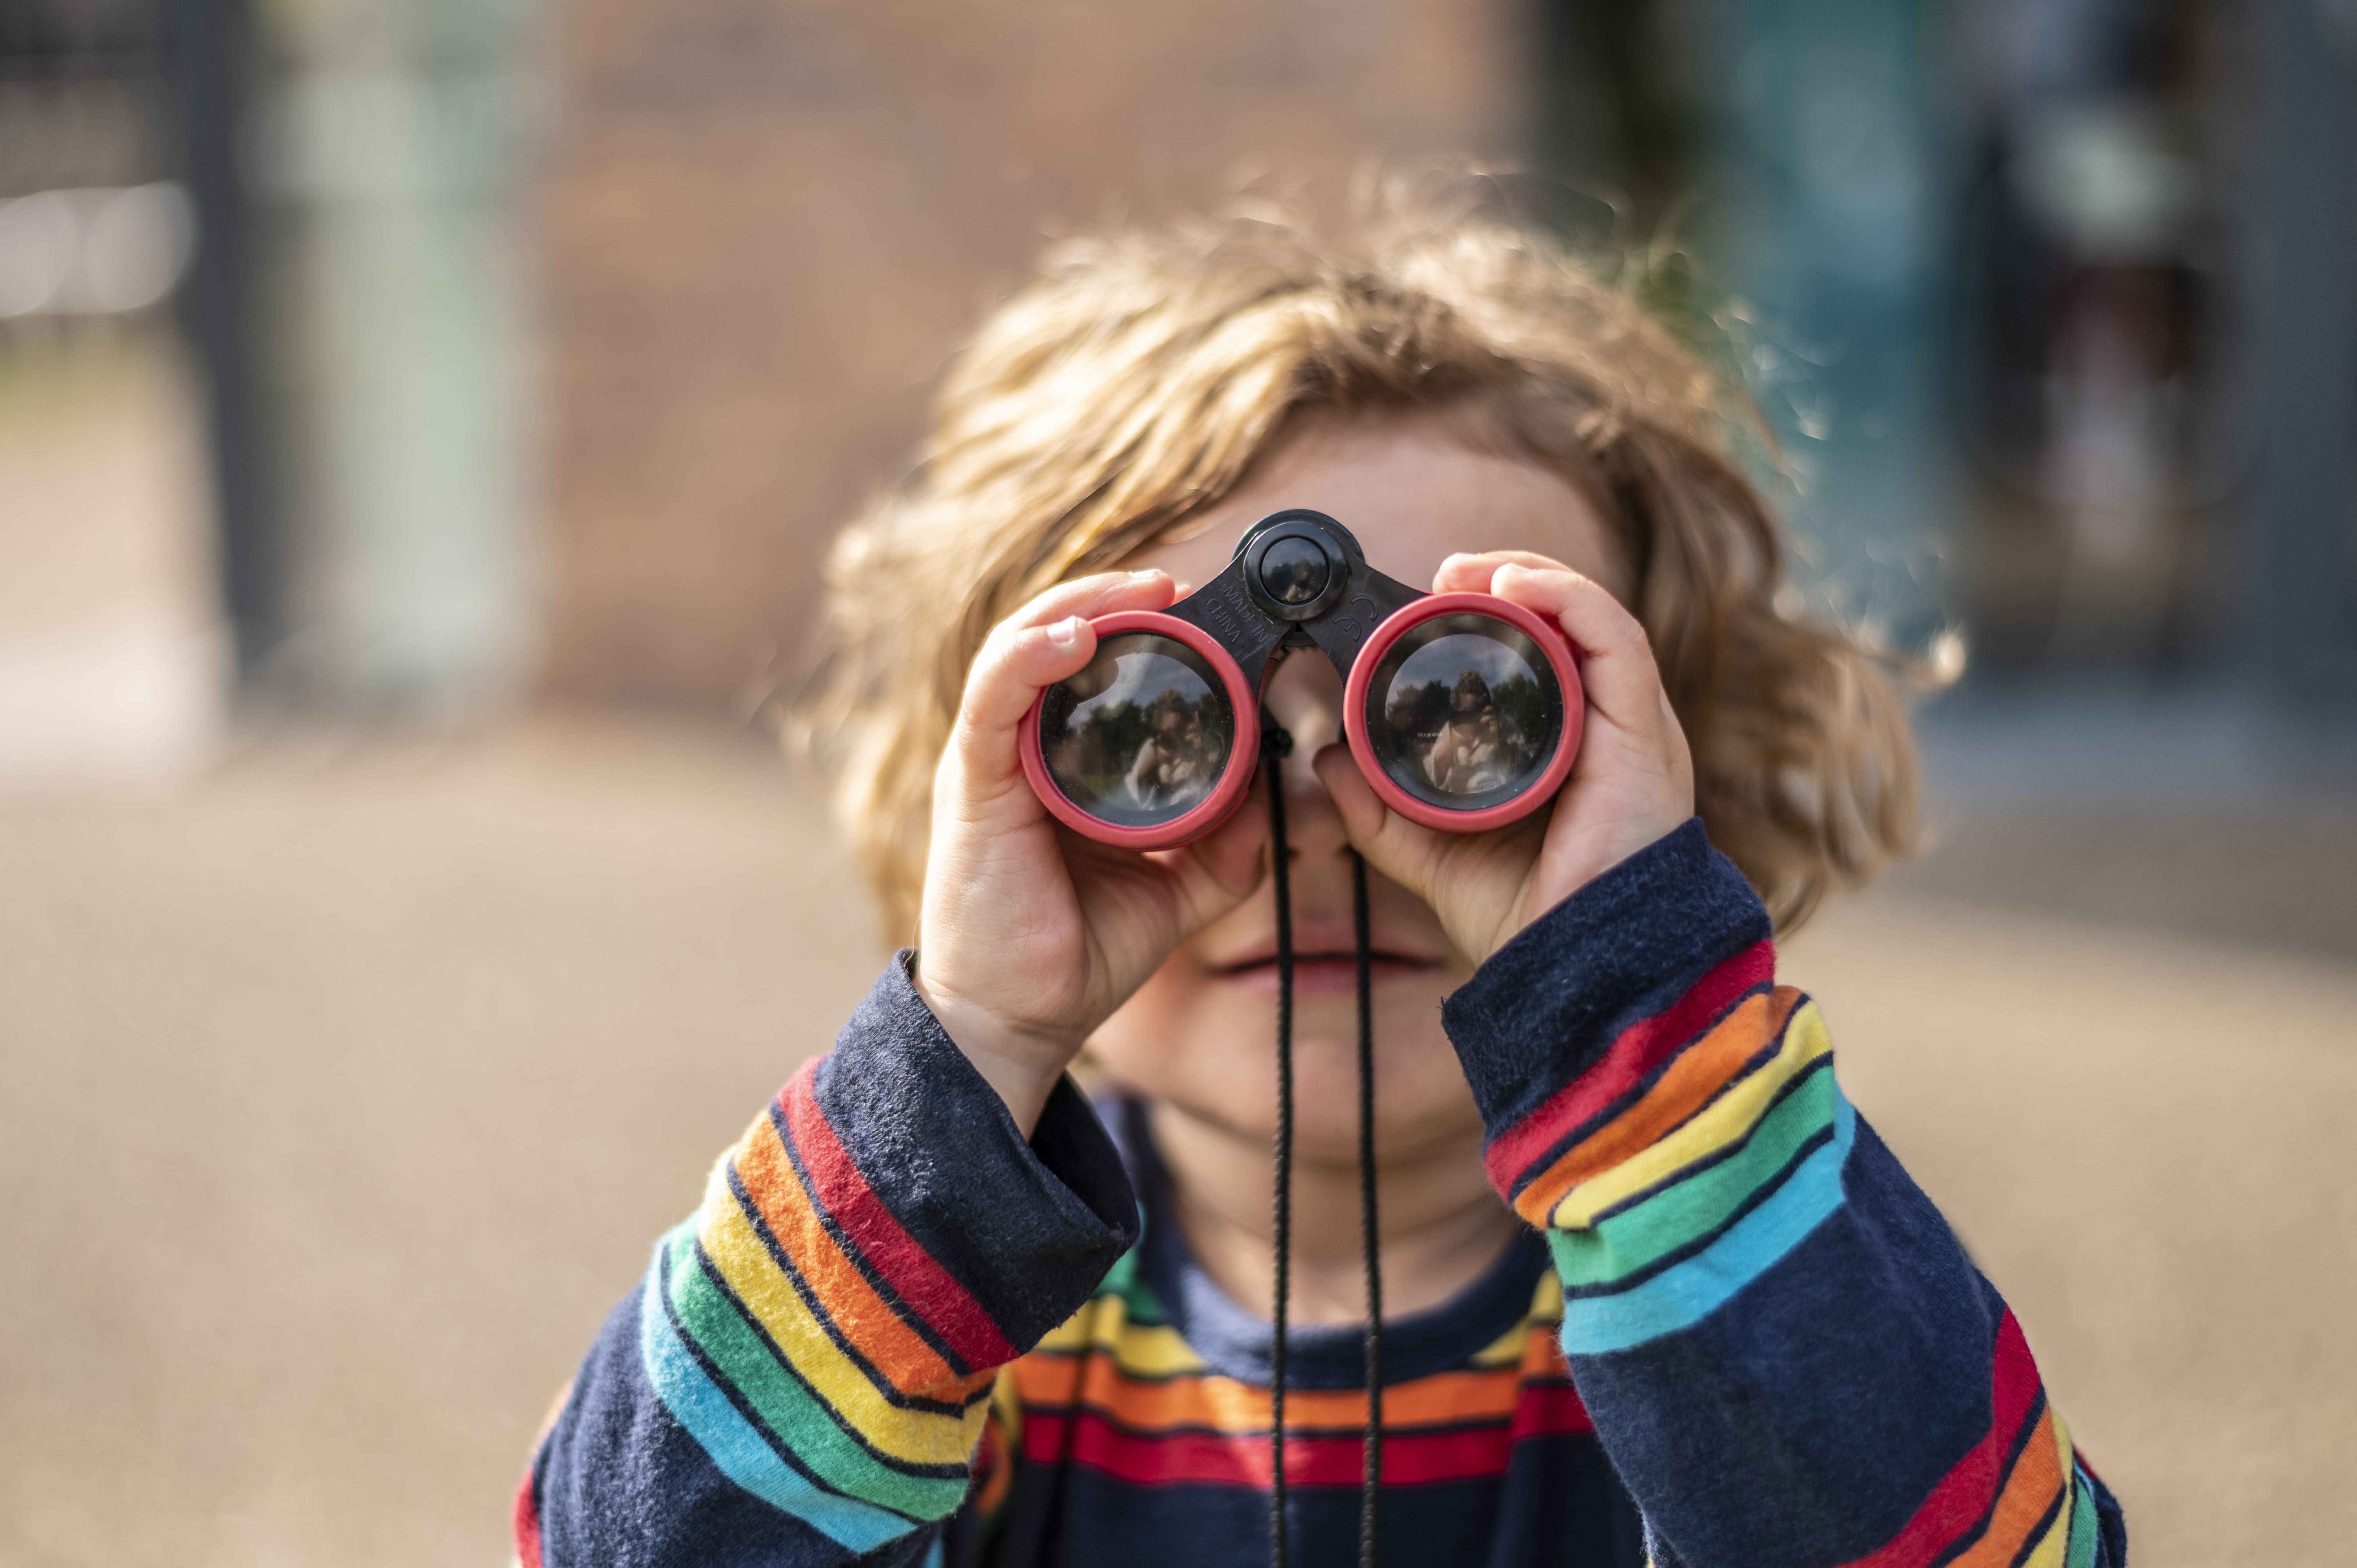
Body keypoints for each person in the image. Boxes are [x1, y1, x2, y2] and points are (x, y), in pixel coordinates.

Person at [515, 195, 2126, 1568]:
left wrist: (1630, 1007)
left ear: (1670, 770)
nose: (1322, 814)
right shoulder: (924, 1340)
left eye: (1462, 711)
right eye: (1152, 723)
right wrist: (963, 1056)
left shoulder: (1747, 1261)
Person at [1422, 669, 1519, 796]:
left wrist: (1500, 739)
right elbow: (1434, 774)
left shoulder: (1505, 724)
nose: (1476, 717)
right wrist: (1455, 739)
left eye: (1481, 710)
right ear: (1458, 711)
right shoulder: (1452, 728)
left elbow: (1522, 770)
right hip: (1462, 802)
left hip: (1502, 797)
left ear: (1490, 706)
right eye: (1469, 712)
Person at [1124, 692, 1218, 812]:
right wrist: (1154, 760)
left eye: (1181, 731)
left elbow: (1217, 788)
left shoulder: (1204, 743)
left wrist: (1201, 752)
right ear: (1158, 732)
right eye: (1170, 733)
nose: (1177, 739)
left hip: (1199, 811)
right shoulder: (1152, 747)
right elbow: (1136, 789)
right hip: (1163, 816)